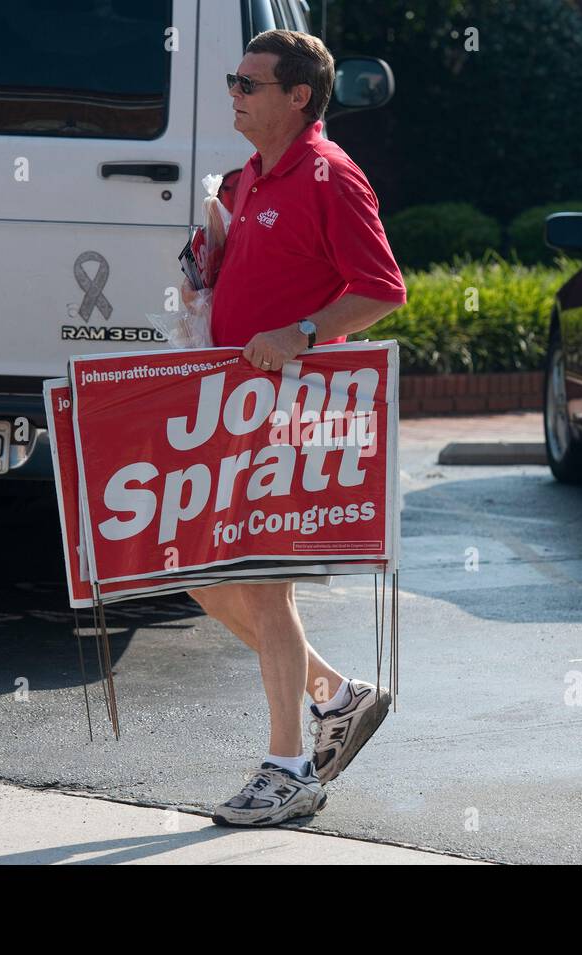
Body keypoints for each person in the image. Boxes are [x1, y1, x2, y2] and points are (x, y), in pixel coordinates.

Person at [189, 29, 407, 827]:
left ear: (298, 97)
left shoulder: (330, 173)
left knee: (262, 583)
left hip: (291, 412)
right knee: (200, 573)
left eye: (248, 83)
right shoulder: (248, 178)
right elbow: (250, 278)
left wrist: (304, 334)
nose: (234, 93)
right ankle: (338, 696)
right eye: (233, 81)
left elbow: (383, 287)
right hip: (231, 409)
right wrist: (208, 257)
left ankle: (289, 769)